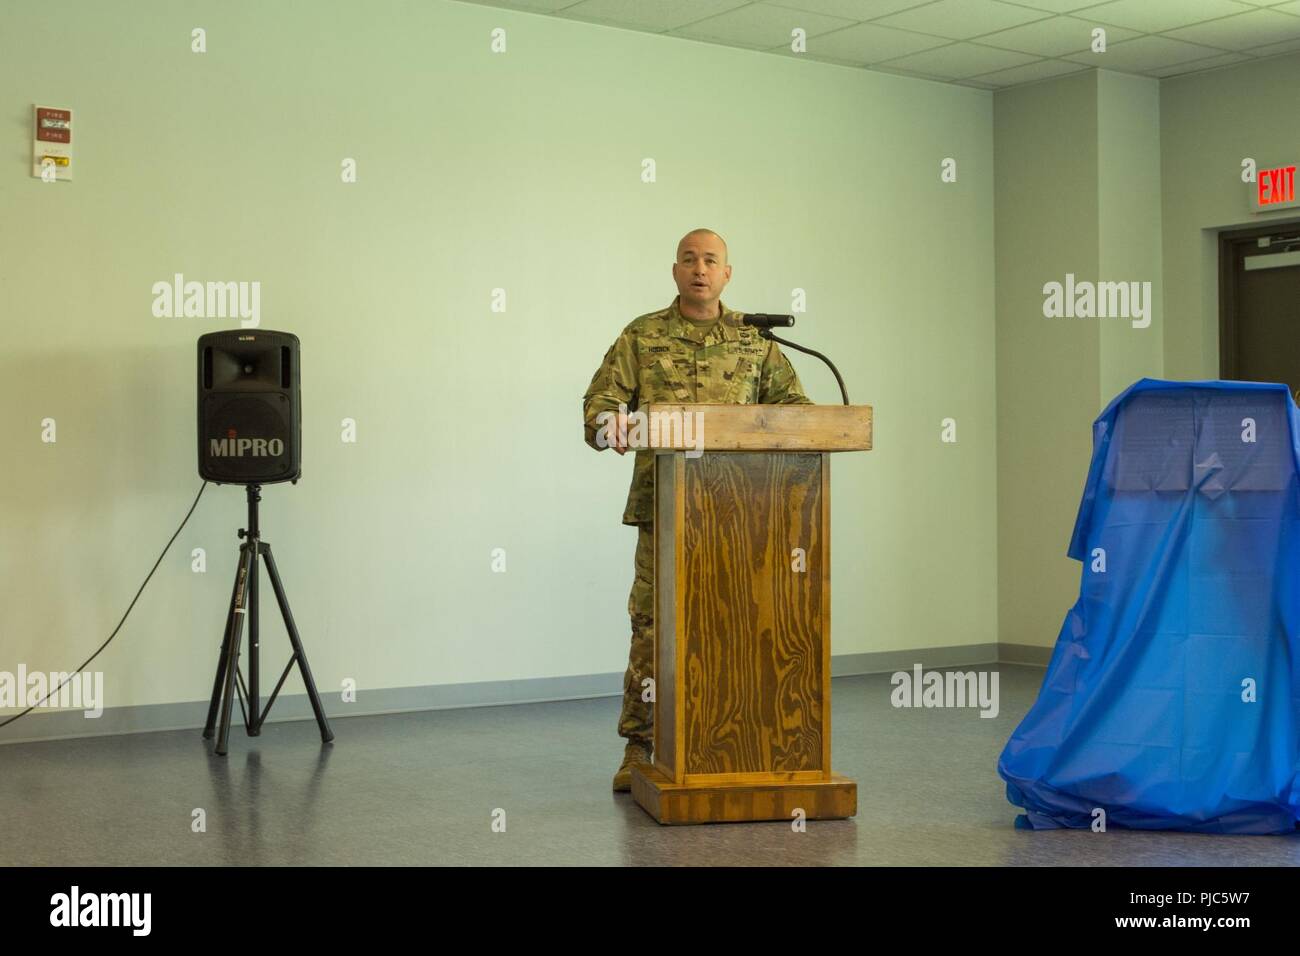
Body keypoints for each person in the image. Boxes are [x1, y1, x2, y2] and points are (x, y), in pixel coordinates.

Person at [582, 228, 812, 791]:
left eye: (711, 260)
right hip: (664, 508)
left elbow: (799, 413)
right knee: (653, 626)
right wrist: (608, 425)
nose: (700, 269)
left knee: (739, 625)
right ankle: (640, 748)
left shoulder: (755, 341)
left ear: (727, 273)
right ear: (676, 271)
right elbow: (599, 406)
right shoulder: (643, 335)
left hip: (745, 517)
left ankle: (737, 739)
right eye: (689, 260)